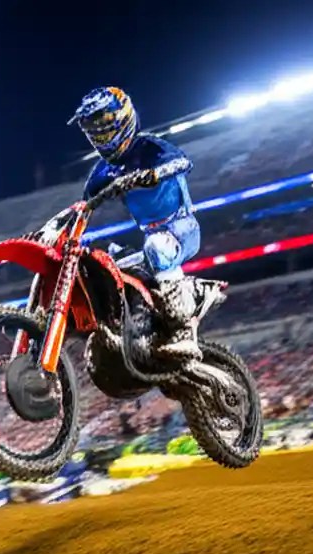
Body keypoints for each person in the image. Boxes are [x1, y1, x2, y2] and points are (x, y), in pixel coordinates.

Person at [70, 86, 222, 359]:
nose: (98, 133)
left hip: (180, 228)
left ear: (122, 117)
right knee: (104, 264)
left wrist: (152, 174)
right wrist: (61, 227)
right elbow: (83, 207)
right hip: (148, 234)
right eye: (92, 128)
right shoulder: (103, 170)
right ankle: (136, 327)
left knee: (158, 247)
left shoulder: (149, 147)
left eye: (103, 123)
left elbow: (183, 162)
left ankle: (184, 330)